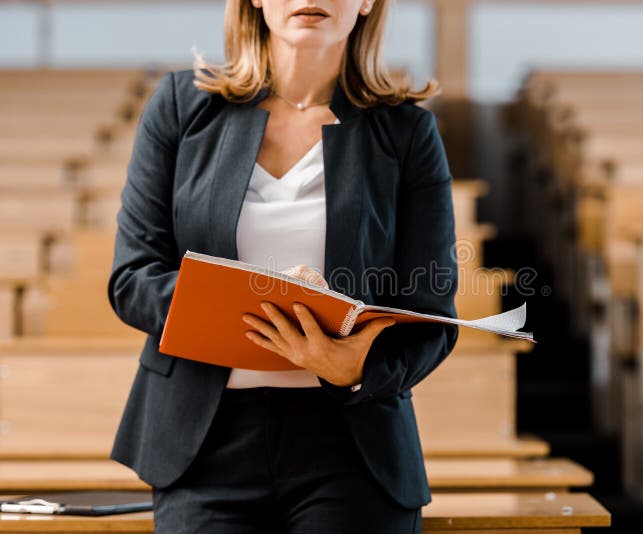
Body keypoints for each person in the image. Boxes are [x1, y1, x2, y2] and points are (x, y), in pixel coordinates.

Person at [107, 0, 459, 532]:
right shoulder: (181, 107)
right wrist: (252, 302)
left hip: (352, 445)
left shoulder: (407, 132)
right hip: (203, 443)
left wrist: (358, 368)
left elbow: (431, 310)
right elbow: (132, 278)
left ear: (366, 3)